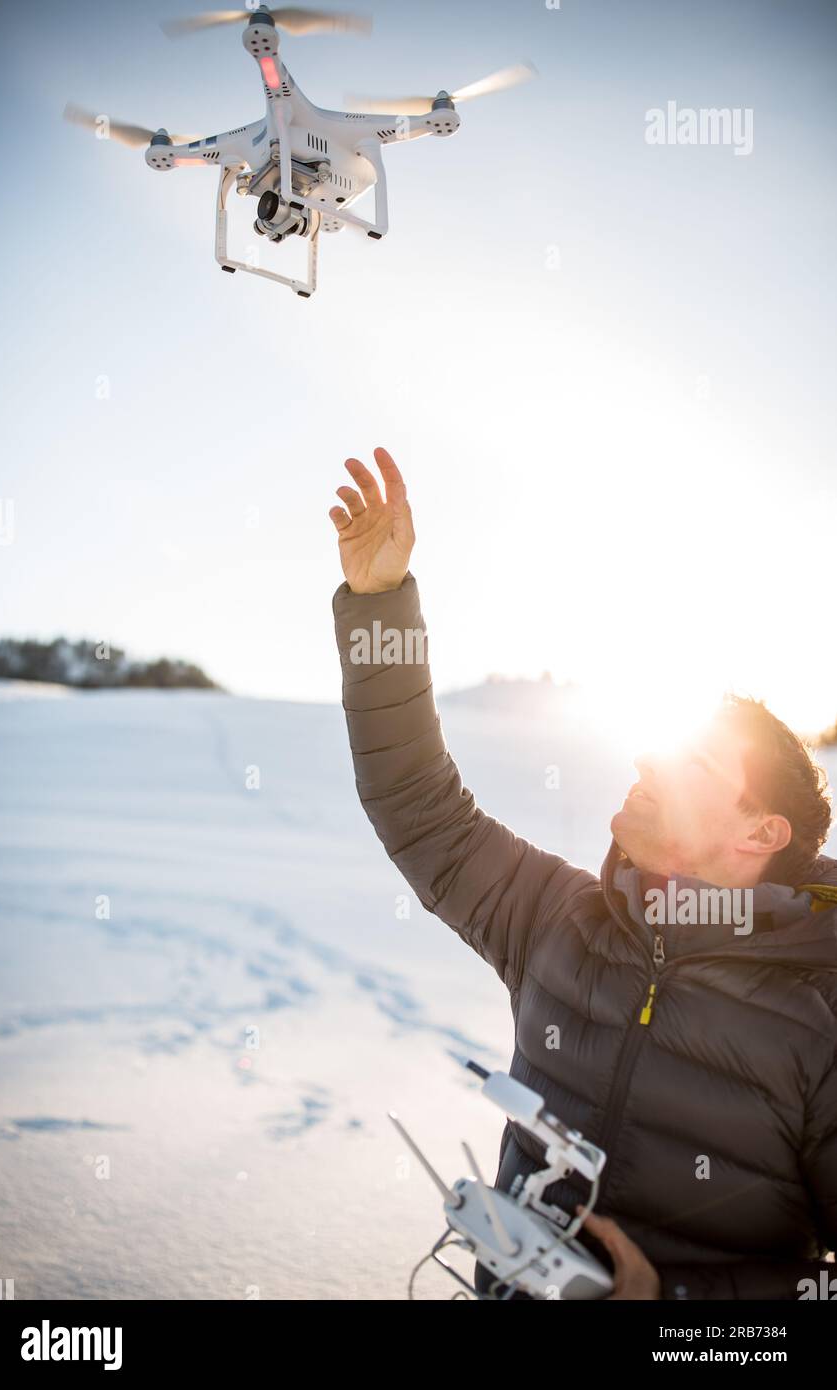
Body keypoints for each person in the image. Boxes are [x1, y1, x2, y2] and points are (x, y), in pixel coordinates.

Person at [328, 446, 837, 1301]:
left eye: (696, 763)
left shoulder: (822, 1022)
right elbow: (418, 804)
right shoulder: (558, 919)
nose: (648, 757)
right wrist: (380, 603)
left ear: (762, 830)